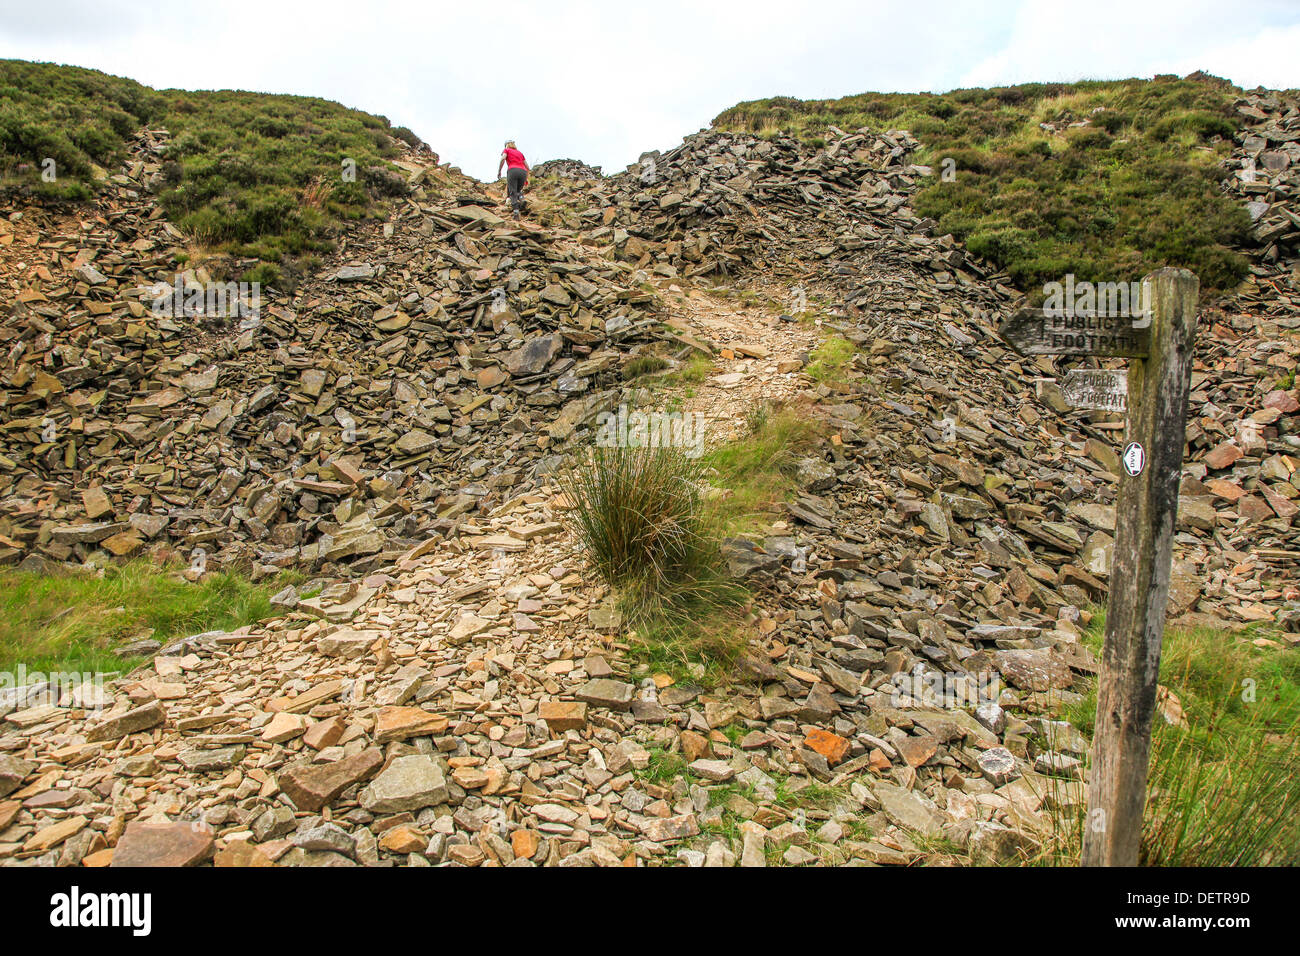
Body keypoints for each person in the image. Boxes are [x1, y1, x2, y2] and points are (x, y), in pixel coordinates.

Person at [497, 140, 529, 219]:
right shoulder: (520, 153)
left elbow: (503, 159)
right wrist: (526, 178)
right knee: (518, 191)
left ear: (506, 145)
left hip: (512, 170)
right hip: (523, 172)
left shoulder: (506, 150)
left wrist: (499, 171)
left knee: (512, 192)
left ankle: (516, 213)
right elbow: (527, 166)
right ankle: (522, 199)